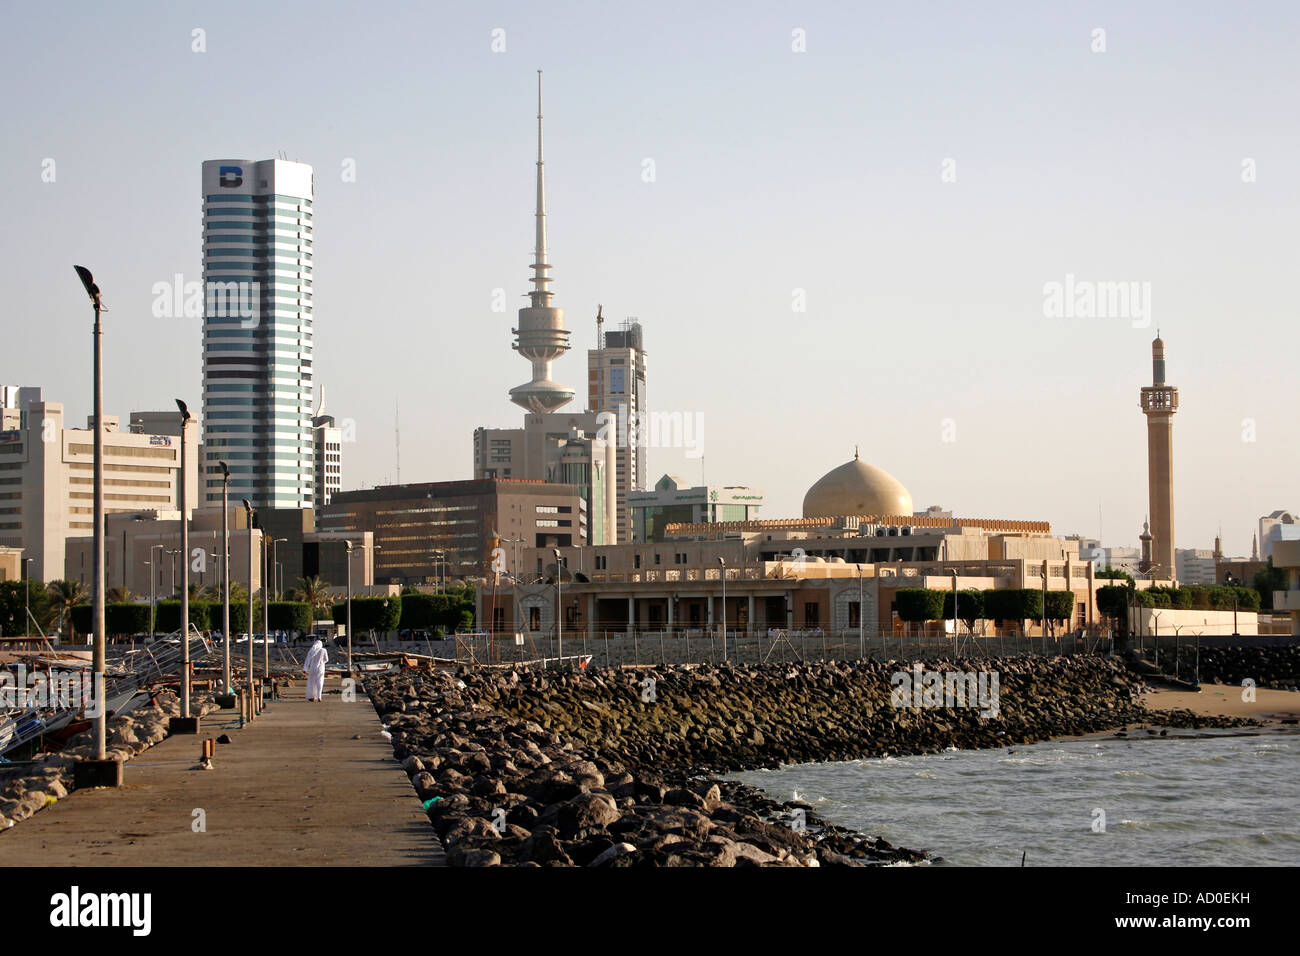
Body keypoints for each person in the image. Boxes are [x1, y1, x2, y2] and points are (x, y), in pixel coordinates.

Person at [303, 637, 328, 702]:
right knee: (320, 681)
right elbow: (326, 660)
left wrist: (305, 669)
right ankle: (319, 697)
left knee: (312, 682)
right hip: (320, 668)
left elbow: (307, 660)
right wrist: (321, 662)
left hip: (312, 668)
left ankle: (312, 697)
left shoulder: (311, 650)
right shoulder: (323, 650)